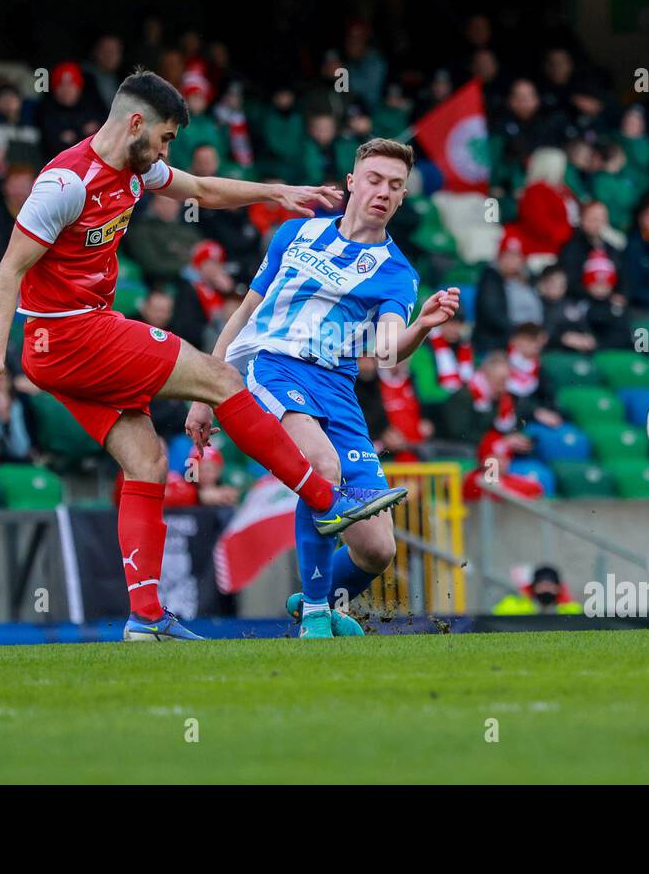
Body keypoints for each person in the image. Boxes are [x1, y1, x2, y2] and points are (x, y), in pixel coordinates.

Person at [0, 70, 404, 642]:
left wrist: (274, 192)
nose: (168, 151)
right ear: (137, 123)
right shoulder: (64, 184)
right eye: (167, 138)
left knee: (146, 461)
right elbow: (7, 272)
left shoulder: (136, 167)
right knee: (220, 378)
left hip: (67, 347)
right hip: (72, 335)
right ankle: (324, 501)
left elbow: (200, 188)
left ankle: (146, 618)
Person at [187, 138, 457, 639]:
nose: (384, 192)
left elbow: (386, 348)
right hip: (272, 365)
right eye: (375, 179)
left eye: (395, 186)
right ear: (353, 182)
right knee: (322, 468)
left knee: (377, 549)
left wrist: (422, 326)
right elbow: (244, 314)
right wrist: (209, 390)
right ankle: (315, 615)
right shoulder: (296, 233)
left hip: (337, 391)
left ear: (401, 198)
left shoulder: (397, 272)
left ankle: (317, 596)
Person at [492, 565, 582, 615]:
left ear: (559, 588)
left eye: (550, 585)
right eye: (542, 585)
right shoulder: (514, 605)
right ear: (533, 587)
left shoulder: (571, 609)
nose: (546, 589)